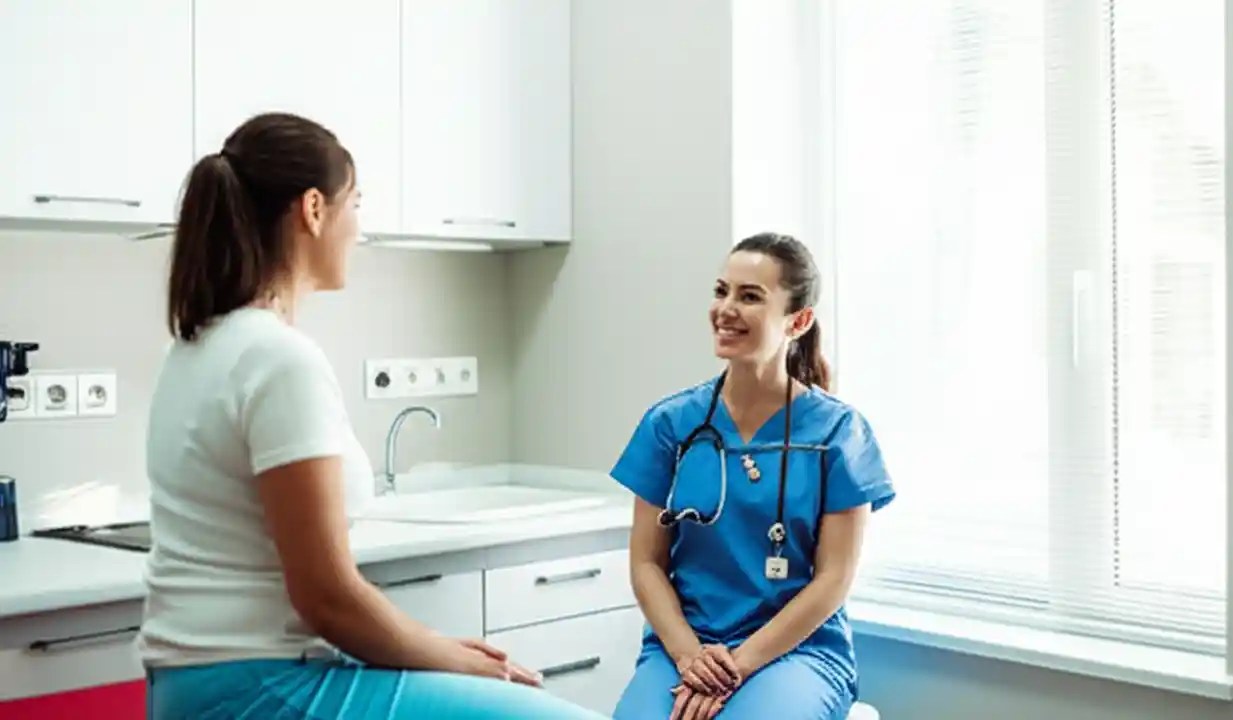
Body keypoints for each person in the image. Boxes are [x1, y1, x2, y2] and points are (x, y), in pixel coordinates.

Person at [141, 112, 603, 719]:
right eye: (355, 203)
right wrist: (457, 659)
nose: (359, 227)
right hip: (258, 691)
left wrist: (438, 652)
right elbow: (326, 597)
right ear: (313, 209)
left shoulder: (196, 348)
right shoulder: (277, 358)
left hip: (196, 688)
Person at [609, 233, 896, 720]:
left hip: (796, 650)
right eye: (721, 291)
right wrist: (690, 658)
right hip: (687, 643)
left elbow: (833, 580)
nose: (725, 309)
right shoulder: (671, 425)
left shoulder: (838, 433)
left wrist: (737, 665)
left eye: (749, 297)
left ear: (798, 321)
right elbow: (646, 565)